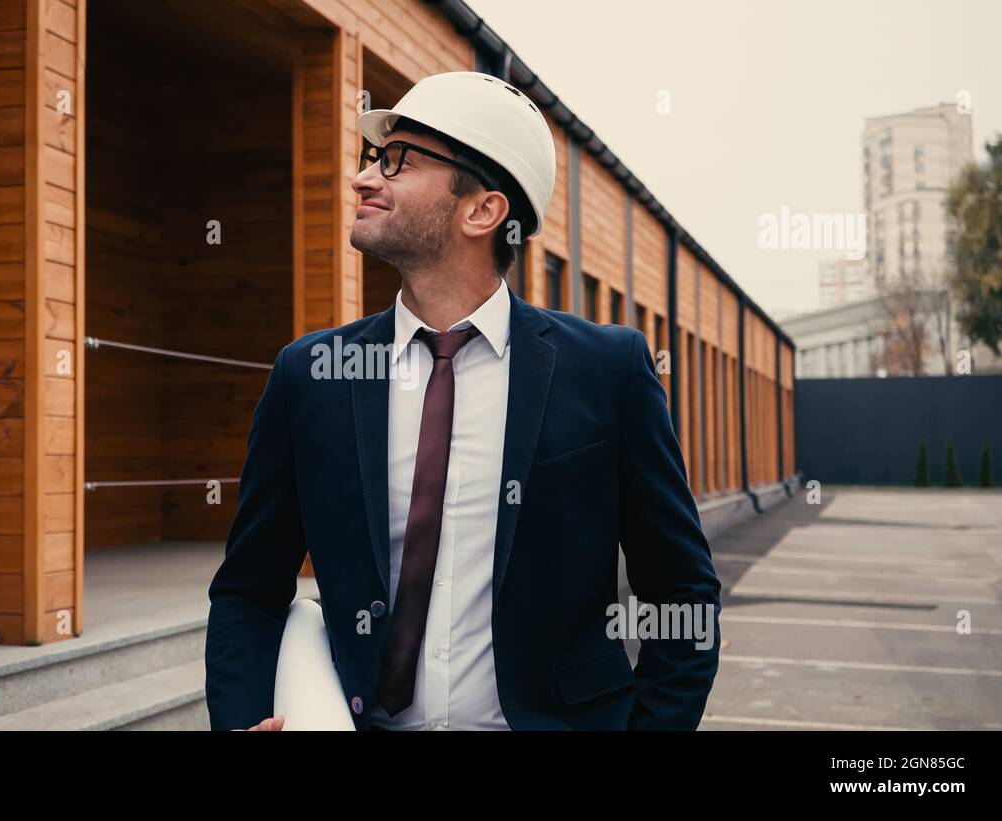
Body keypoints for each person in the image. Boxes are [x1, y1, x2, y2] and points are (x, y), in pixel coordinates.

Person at [205, 71, 721, 731]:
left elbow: (682, 593)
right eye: (372, 160)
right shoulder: (309, 375)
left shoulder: (607, 370)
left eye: (397, 161)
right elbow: (250, 589)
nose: (365, 179)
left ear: (482, 210)